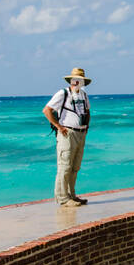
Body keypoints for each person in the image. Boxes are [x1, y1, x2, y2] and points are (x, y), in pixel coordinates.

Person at [44, 68, 92, 207]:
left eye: (80, 80)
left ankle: (72, 195)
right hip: (67, 133)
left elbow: (87, 111)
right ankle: (63, 198)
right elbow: (47, 110)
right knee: (64, 166)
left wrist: (86, 126)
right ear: (71, 80)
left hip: (80, 133)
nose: (77, 82)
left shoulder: (83, 95)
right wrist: (59, 126)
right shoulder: (63, 93)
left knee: (75, 167)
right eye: (75, 79)